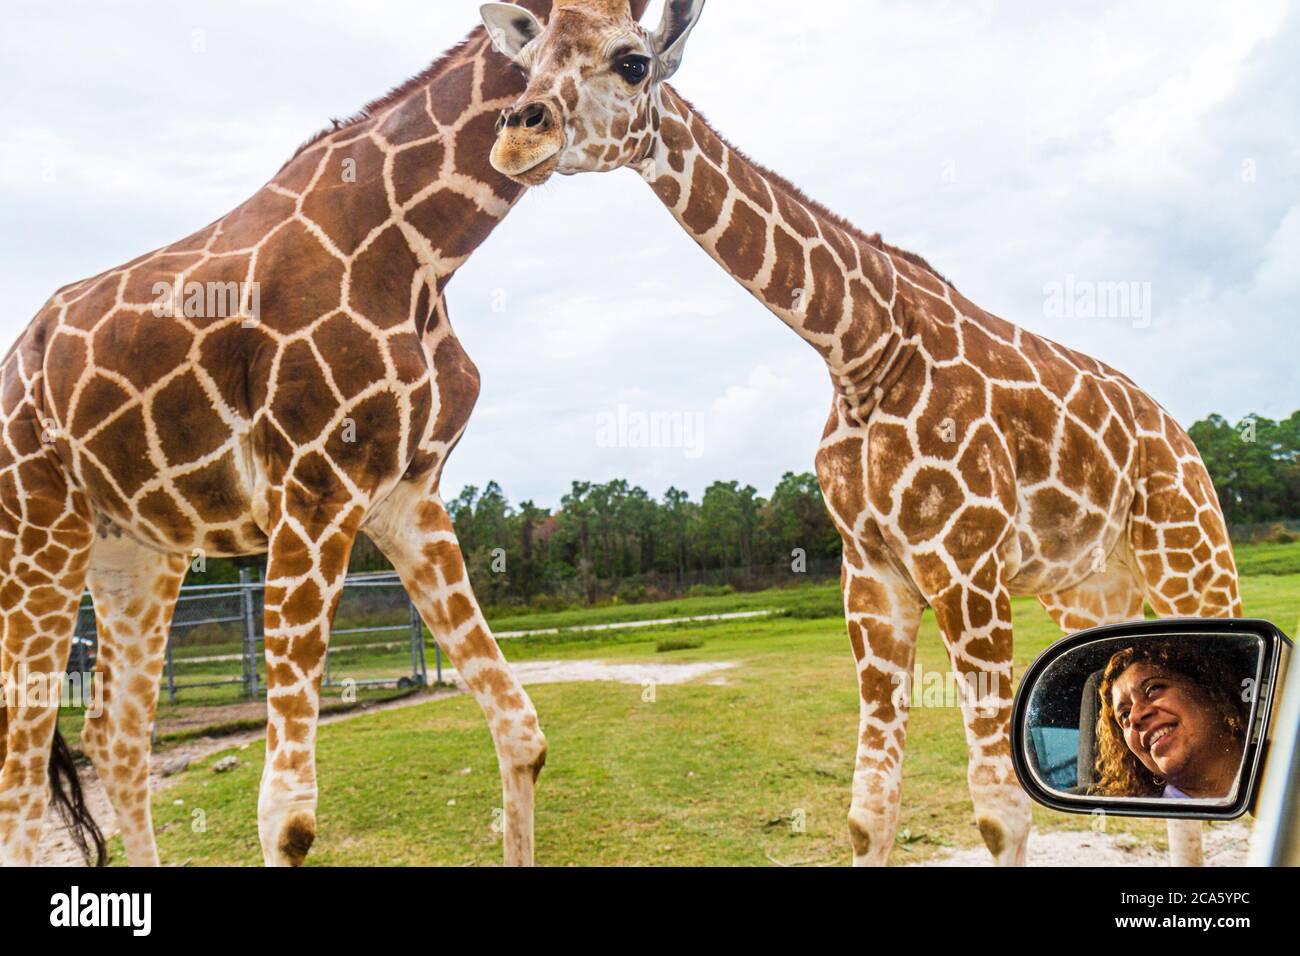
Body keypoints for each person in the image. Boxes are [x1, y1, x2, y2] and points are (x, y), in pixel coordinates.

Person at [1093, 640, 1249, 799]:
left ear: (1210, 689)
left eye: (1153, 689)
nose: (1135, 716)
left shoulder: (1275, 767)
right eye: (1124, 715)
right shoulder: (1138, 821)